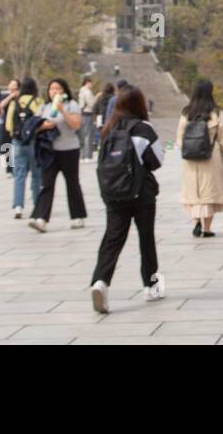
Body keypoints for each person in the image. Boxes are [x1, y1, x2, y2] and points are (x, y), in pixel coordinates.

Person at [90, 87, 165, 313]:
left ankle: (100, 281)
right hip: (141, 193)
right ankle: (150, 287)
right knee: (146, 238)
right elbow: (157, 160)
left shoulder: (108, 129)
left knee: (112, 238)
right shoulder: (144, 128)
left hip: (114, 193)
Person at [28, 78, 88, 232]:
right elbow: (33, 126)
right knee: (47, 184)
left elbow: (75, 124)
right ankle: (41, 218)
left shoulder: (71, 105)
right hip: (49, 151)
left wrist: (62, 110)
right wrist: (44, 126)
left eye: (58, 88)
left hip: (69, 150)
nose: (54, 91)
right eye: (51, 89)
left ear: (64, 90)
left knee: (72, 183)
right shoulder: (44, 107)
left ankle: (77, 216)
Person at [177, 78, 223, 238]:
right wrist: (221, 154)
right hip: (210, 155)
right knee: (208, 192)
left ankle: (196, 222)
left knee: (194, 191)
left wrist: (187, 149)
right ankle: (206, 228)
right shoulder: (215, 112)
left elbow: (179, 138)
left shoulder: (187, 113)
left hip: (191, 157)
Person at [6, 78, 43, 218]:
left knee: (19, 175)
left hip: (18, 142)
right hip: (34, 142)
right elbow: (41, 120)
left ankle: (18, 207)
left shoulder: (14, 103)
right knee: (36, 175)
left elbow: (8, 125)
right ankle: (37, 205)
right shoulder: (36, 102)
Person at [77, 78, 97, 160]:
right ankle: (88, 154)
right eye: (90, 83)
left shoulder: (81, 92)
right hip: (87, 113)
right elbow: (92, 103)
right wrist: (97, 98)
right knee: (88, 134)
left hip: (82, 114)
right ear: (87, 83)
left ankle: (82, 154)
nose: (91, 85)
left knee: (83, 134)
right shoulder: (87, 92)